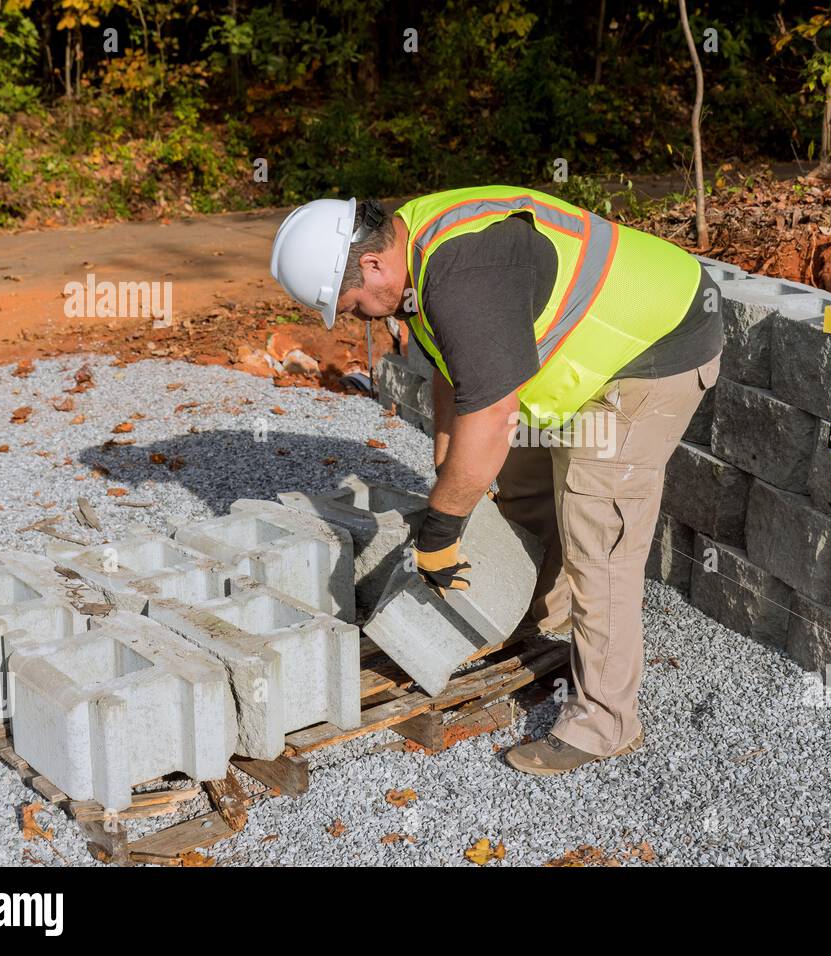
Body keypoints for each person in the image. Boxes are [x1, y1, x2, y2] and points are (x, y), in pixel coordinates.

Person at [270, 186, 722, 775]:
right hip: (586, 343)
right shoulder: (411, 246)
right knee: (522, 487)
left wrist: (440, 531)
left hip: (656, 340)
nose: (356, 316)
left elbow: (490, 413)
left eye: (351, 303)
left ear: (374, 263)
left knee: (597, 526)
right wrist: (448, 466)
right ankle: (541, 621)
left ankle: (606, 721)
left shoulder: (463, 274)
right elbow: (452, 367)